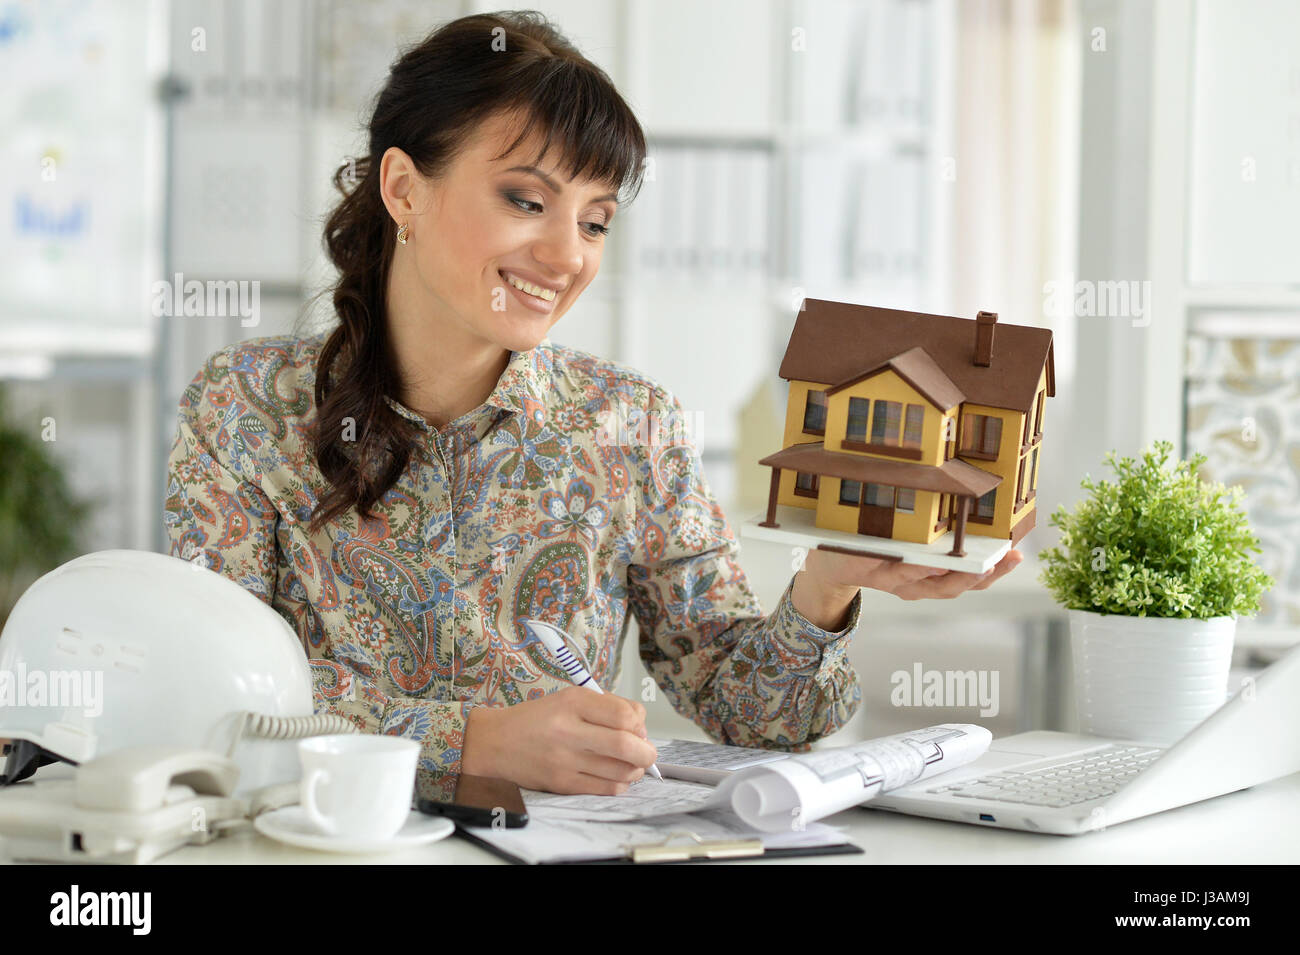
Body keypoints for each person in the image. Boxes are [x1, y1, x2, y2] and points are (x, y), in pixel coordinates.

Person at [164, 11, 1020, 803]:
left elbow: (749, 709)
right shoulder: (243, 409)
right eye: (526, 201)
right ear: (403, 189)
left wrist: (829, 584)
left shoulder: (632, 423)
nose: (566, 254)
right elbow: (214, 695)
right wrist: (475, 741)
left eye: (597, 220)